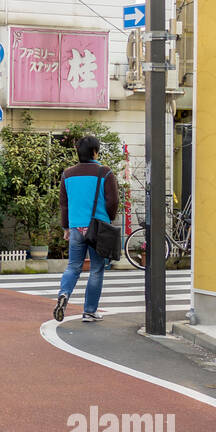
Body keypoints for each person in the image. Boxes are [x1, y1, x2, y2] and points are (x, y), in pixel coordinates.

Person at [53, 135, 120, 323]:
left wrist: (66, 227)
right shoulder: (104, 172)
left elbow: (64, 204)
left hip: (75, 227)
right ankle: (89, 312)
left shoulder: (67, 174)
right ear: (94, 152)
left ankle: (64, 294)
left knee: (73, 266)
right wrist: (108, 218)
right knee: (96, 269)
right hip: (98, 228)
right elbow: (113, 201)